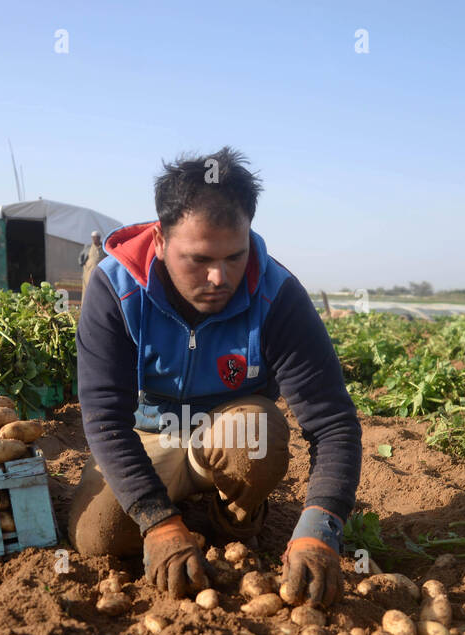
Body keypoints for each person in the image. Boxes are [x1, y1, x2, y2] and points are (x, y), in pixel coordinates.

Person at [68, 147, 361, 607]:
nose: (219, 276)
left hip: (229, 431)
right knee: (98, 537)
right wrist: (157, 522)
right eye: (198, 259)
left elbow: (334, 423)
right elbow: (104, 418)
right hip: (153, 433)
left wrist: (321, 529)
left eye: (234, 256)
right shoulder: (115, 287)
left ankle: (233, 520)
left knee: (256, 434)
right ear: (160, 241)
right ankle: (176, 511)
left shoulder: (277, 294)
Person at [80, 230, 104, 302]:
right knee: (87, 291)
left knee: (99, 290)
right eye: (93, 237)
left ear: (99, 238)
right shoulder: (88, 247)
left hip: (100, 275)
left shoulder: (104, 248)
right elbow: (81, 258)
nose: (94, 239)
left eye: (96, 237)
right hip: (88, 274)